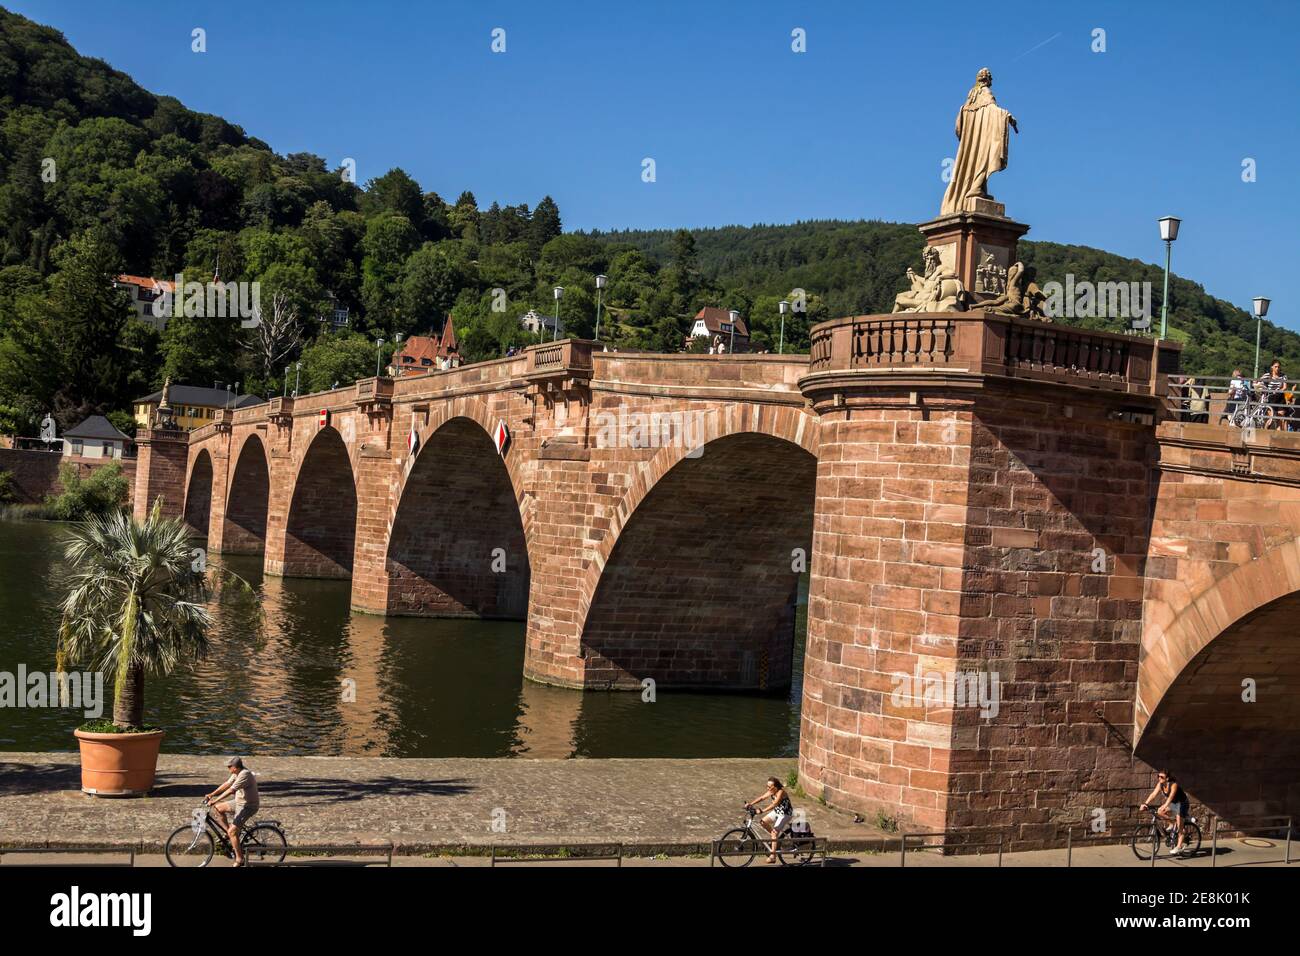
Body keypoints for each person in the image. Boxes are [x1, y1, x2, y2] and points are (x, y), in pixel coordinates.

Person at [205, 757, 260, 866]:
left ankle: (239, 859)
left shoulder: (245, 774)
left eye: (229, 766)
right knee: (218, 808)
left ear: (234, 768)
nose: (228, 768)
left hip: (248, 806)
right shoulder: (236, 773)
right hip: (238, 802)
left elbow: (231, 790)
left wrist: (215, 800)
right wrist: (212, 794)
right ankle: (229, 835)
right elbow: (227, 784)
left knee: (232, 832)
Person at [1140, 769, 1191, 856]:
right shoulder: (1160, 784)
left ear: (1167, 778)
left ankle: (1179, 846)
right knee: (1159, 811)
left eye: (1162, 777)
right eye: (1158, 776)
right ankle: (1172, 824)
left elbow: (1170, 797)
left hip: (1182, 803)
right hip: (1173, 803)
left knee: (1179, 827)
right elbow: (1153, 794)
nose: (1159, 778)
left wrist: (1164, 806)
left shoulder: (1173, 785)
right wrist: (1145, 803)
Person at [746, 776, 794, 865]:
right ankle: (774, 838)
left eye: (769, 787)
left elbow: (775, 804)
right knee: (762, 822)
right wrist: (750, 804)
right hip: (777, 812)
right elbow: (761, 798)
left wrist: (762, 811)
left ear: (775, 786)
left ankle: (773, 856)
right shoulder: (771, 791)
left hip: (786, 814)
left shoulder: (781, 792)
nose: (768, 788)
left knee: (774, 833)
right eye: (767, 786)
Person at [1258, 360, 1288, 429]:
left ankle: (1279, 438)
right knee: (1270, 419)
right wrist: (1262, 388)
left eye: (1278, 367)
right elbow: (1258, 381)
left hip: (1280, 398)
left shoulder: (1283, 376)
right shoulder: (1267, 375)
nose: (1277, 368)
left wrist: (1278, 391)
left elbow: (1285, 387)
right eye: (1275, 367)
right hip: (1271, 397)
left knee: (1280, 419)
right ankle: (1265, 433)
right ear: (1272, 367)